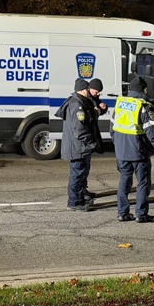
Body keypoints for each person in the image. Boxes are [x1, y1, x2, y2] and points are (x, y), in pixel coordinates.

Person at [110, 76, 154, 223]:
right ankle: (141, 214)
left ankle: (122, 213)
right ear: (143, 90)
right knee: (143, 183)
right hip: (138, 153)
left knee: (124, 182)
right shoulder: (144, 106)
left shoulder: (120, 104)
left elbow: (112, 129)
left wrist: (119, 145)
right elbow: (151, 132)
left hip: (122, 152)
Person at [55, 78, 101, 211]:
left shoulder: (80, 102)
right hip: (78, 147)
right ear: (82, 90)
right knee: (77, 174)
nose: (89, 91)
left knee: (81, 173)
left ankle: (80, 197)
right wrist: (91, 142)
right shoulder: (77, 105)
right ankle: (74, 202)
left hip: (79, 147)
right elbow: (79, 130)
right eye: (87, 89)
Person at [83, 78, 107, 200]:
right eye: (96, 91)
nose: (97, 93)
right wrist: (96, 112)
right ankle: (80, 193)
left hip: (91, 136)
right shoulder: (85, 99)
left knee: (86, 167)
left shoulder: (93, 98)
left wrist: (103, 108)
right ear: (90, 88)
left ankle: (84, 189)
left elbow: (98, 109)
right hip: (85, 139)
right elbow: (87, 117)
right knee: (81, 169)